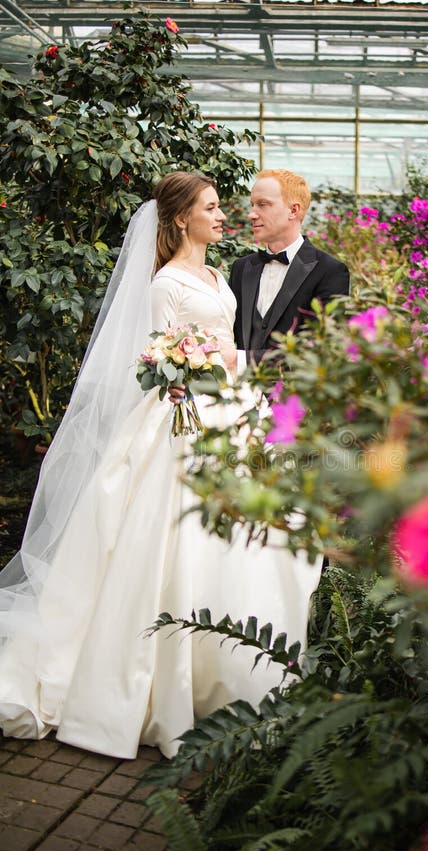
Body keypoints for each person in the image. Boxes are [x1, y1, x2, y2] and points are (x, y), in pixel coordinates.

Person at [0, 172, 322, 760]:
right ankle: (160, 679)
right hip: (184, 419)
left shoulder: (220, 276)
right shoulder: (166, 283)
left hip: (234, 409)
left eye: (225, 207)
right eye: (213, 207)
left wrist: (236, 372)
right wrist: (201, 368)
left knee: (252, 540)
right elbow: (155, 357)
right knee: (176, 543)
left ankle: (234, 670)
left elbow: (227, 344)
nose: (225, 215)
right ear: (181, 219)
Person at [231, 169, 350, 368]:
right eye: (252, 205)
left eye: (263, 204)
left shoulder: (330, 272)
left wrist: (240, 360)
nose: (251, 214)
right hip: (238, 395)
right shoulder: (241, 268)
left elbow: (320, 351)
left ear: (293, 211)